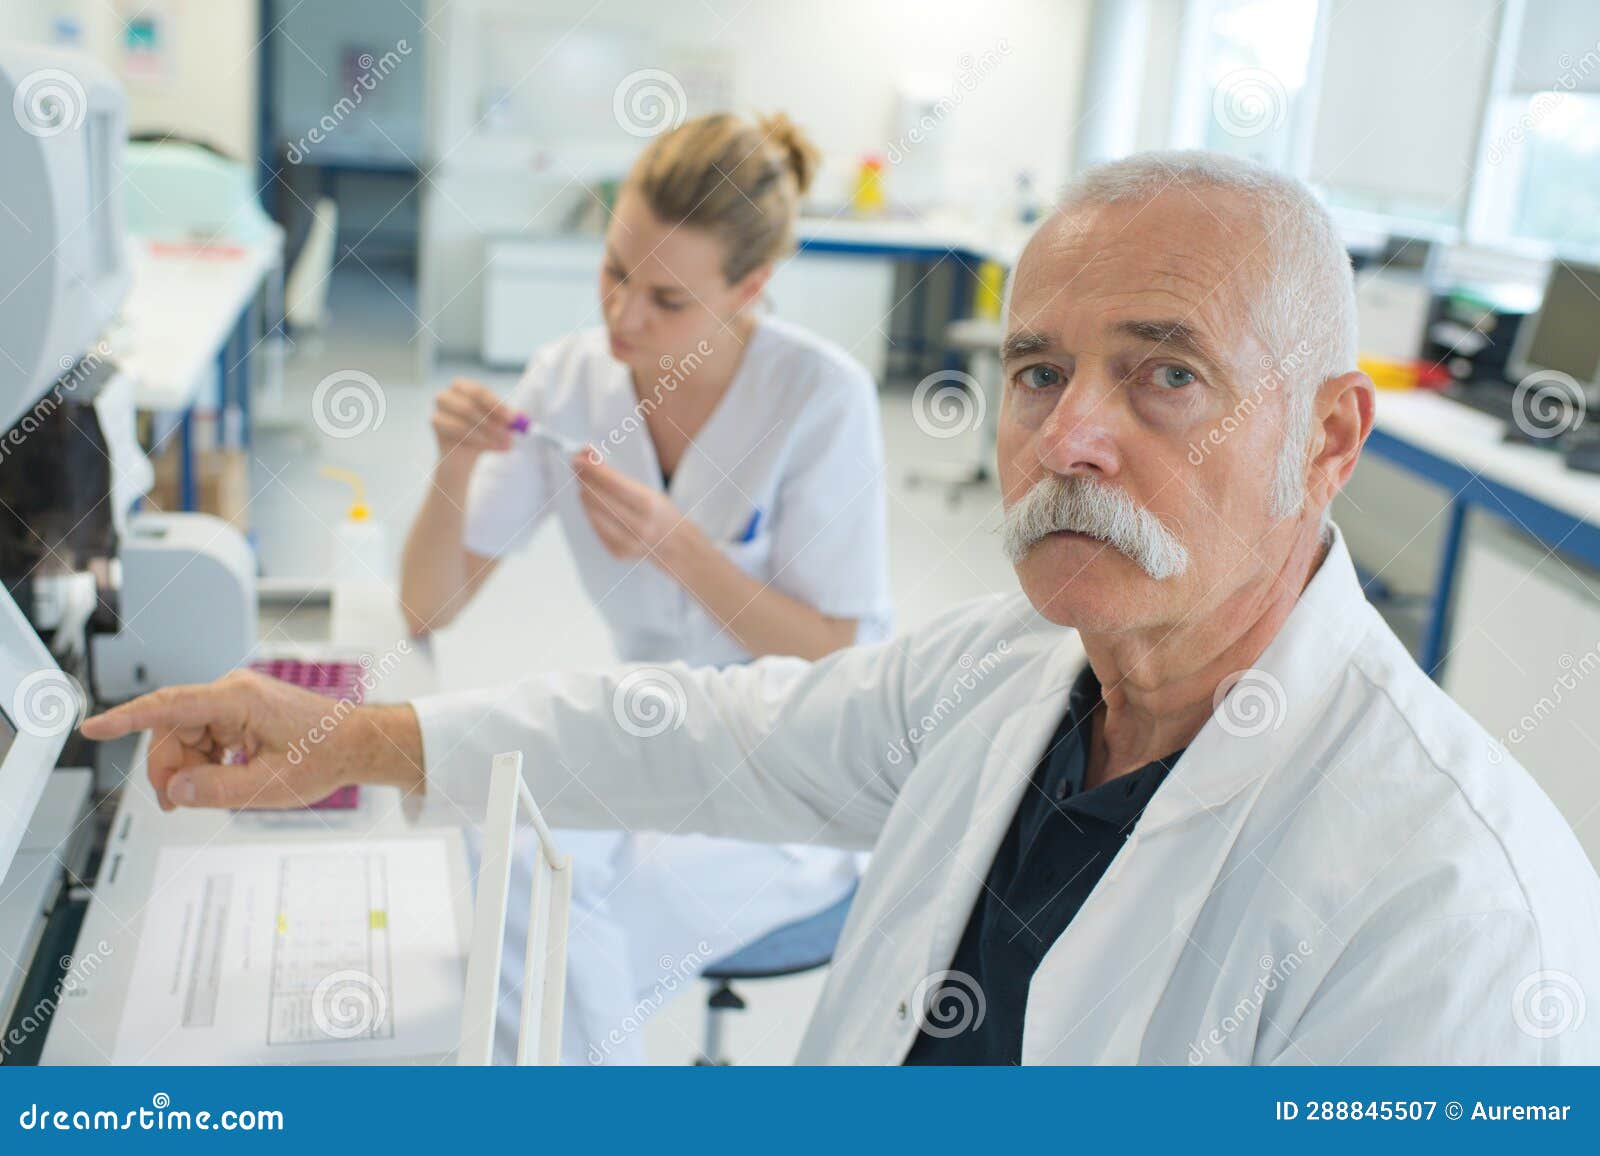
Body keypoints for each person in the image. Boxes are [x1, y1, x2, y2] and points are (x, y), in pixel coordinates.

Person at [85, 151, 1600, 1064]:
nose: (1070, 435)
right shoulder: (1014, 670)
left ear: (1331, 436)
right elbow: (700, 729)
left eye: (1167, 373)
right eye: (1036, 372)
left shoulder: (1458, 913)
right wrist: (359, 733)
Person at [394, 112, 891, 1063]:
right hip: (652, 735)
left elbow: (844, 660)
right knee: (498, 851)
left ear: (751, 289)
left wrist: (687, 552)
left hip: (805, 769)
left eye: (666, 299)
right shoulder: (572, 380)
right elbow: (428, 610)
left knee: (568, 921)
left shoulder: (819, 398)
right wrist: (453, 468)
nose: (623, 317)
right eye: (614, 271)